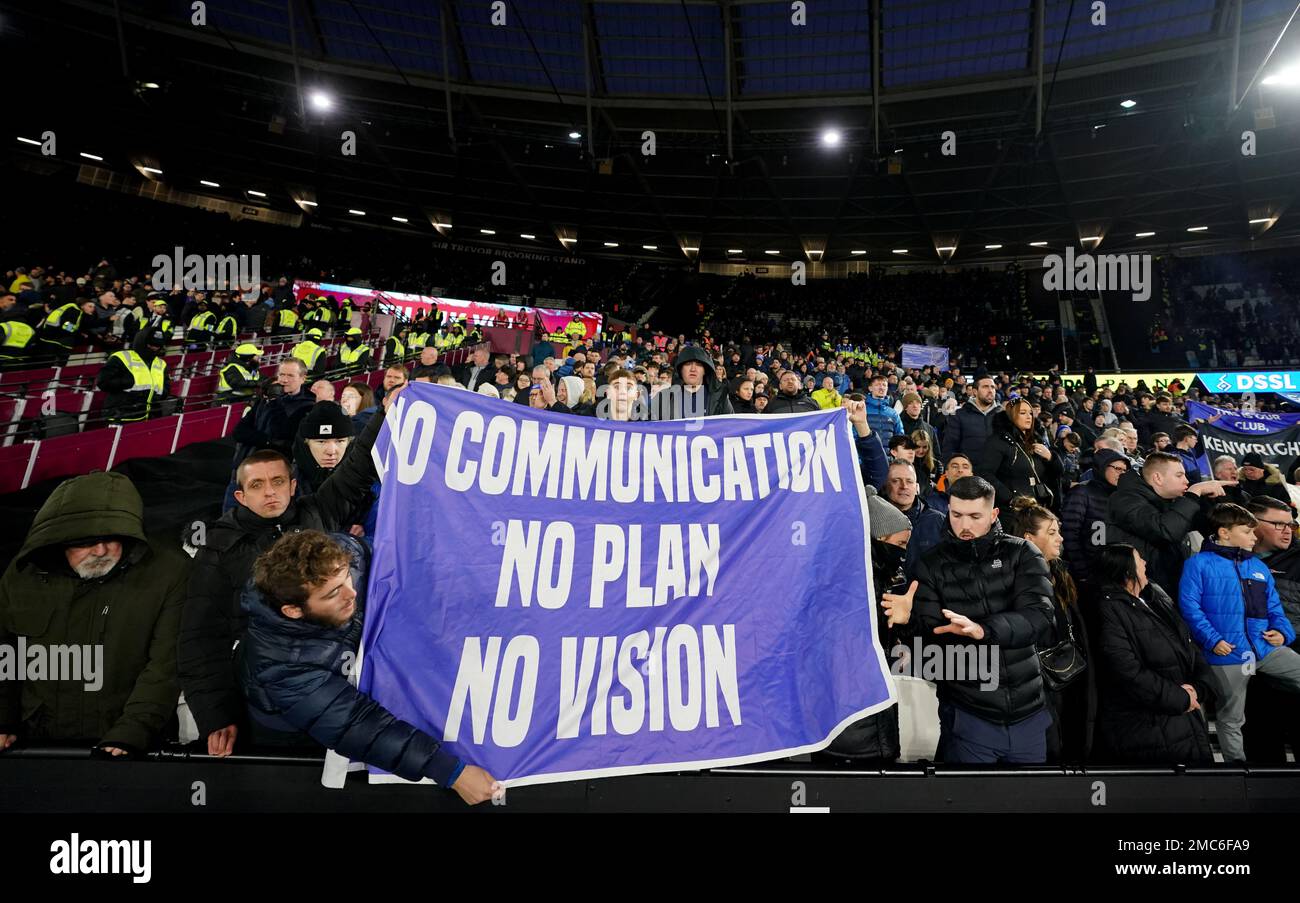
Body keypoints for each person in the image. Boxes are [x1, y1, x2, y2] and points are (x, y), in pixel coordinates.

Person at [179, 390, 399, 757]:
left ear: (293, 486)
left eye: (278, 482)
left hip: (335, 686)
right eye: (257, 485)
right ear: (240, 496)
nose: (270, 493)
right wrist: (216, 714)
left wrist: (385, 416)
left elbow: (356, 469)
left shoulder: (316, 513)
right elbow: (199, 638)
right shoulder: (218, 549)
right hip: (264, 702)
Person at [237, 531, 498, 804]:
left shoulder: (346, 553)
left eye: (346, 577)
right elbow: (353, 724)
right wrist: (449, 772)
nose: (351, 593)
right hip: (291, 730)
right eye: (333, 593)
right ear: (294, 610)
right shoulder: (279, 664)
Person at [0, 472, 186, 755]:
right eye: (86, 541)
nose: (101, 550)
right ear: (57, 540)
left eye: (112, 537)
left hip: (131, 748)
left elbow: (165, 667)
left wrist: (131, 732)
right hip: (34, 747)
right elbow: (5, 653)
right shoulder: (23, 573)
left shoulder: (169, 573)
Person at [911, 476, 1056, 764]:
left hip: (1028, 713)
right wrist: (905, 620)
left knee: (1030, 804)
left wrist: (983, 630)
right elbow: (925, 644)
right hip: (969, 716)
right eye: (956, 515)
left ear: (993, 514)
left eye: (975, 516)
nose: (964, 526)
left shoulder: (1023, 553)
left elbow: (1039, 616)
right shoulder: (930, 564)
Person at [1178, 503, 1300, 763]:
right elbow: (1190, 608)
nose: (1254, 538)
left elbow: (1275, 608)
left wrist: (1282, 632)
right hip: (1228, 652)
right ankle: (1237, 772)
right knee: (1231, 718)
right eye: (1247, 532)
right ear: (1224, 532)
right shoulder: (1198, 564)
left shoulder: (1257, 566)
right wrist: (1213, 640)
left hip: (1264, 647)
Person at [1093, 544, 1214, 765]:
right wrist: (1180, 698)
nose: (1145, 563)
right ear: (1127, 570)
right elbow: (1126, 671)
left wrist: (1199, 688)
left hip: (1185, 718)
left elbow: (1189, 645)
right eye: (1139, 559)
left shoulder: (1155, 597)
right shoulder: (1108, 609)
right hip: (1146, 730)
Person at [823, 488, 914, 764]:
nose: (902, 554)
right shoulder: (858, 587)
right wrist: (906, 620)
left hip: (853, 725)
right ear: (877, 539)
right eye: (899, 545)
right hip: (857, 733)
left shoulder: (868, 579)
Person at [1009, 498, 1094, 764]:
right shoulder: (1014, 578)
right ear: (1028, 538)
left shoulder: (1058, 573)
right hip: (1036, 685)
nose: (1060, 539)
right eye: (1051, 532)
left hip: (1066, 676)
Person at [1105, 451, 1232, 598]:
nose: (1186, 481)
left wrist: (1209, 500)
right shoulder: (1125, 499)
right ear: (1157, 478)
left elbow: (1210, 528)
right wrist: (1193, 493)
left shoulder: (1171, 500)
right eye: (1179, 475)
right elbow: (1165, 531)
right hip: (1142, 592)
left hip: (1167, 586)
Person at [1060, 449, 1129, 594]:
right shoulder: (1081, 492)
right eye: (1117, 468)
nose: (1121, 473)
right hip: (1085, 576)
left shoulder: (1120, 497)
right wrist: (1082, 572)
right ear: (1102, 467)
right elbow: (1069, 534)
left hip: (1111, 575)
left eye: (1124, 470)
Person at [977, 398, 1062, 514]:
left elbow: (1058, 473)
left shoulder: (1036, 440)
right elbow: (985, 474)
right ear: (1011, 415)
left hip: (1038, 508)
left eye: (1030, 413)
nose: (1029, 417)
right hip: (1011, 512)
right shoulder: (998, 441)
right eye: (1023, 413)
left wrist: (1050, 457)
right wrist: (1011, 499)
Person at [883, 461, 944, 577]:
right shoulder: (874, 523)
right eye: (896, 481)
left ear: (917, 488)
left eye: (909, 481)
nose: (904, 486)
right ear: (885, 486)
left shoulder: (938, 522)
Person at [96, 328, 170, 423]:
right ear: (141, 342)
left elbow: (166, 387)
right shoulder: (121, 357)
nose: (154, 348)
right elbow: (103, 382)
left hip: (148, 417)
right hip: (120, 416)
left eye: (157, 346)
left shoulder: (161, 364)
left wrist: (162, 393)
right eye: (150, 345)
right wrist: (128, 382)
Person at [652, 345, 733, 419]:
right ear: (680, 370)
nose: (693, 369)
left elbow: (731, 427)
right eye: (688, 364)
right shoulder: (664, 397)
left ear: (705, 370)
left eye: (698, 364)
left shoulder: (720, 398)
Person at [940, 374, 999, 464]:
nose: (990, 390)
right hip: (969, 474)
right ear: (975, 392)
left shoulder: (1003, 416)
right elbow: (949, 447)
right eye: (985, 387)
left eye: (992, 387)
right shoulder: (959, 416)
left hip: (997, 475)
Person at [37, 297, 97, 362]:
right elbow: (66, 325)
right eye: (90, 306)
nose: (92, 309)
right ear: (82, 306)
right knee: (51, 364)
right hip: (57, 340)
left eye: (93, 307)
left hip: (51, 338)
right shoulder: (74, 310)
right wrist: (79, 334)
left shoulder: (73, 309)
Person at [863, 374, 903, 442]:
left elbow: (900, 437)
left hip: (887, 452)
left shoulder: (893, 413)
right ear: (870, 388)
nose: (881, 387)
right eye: (878, 384)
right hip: (865, 452)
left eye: (884, 385)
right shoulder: (863, 410)